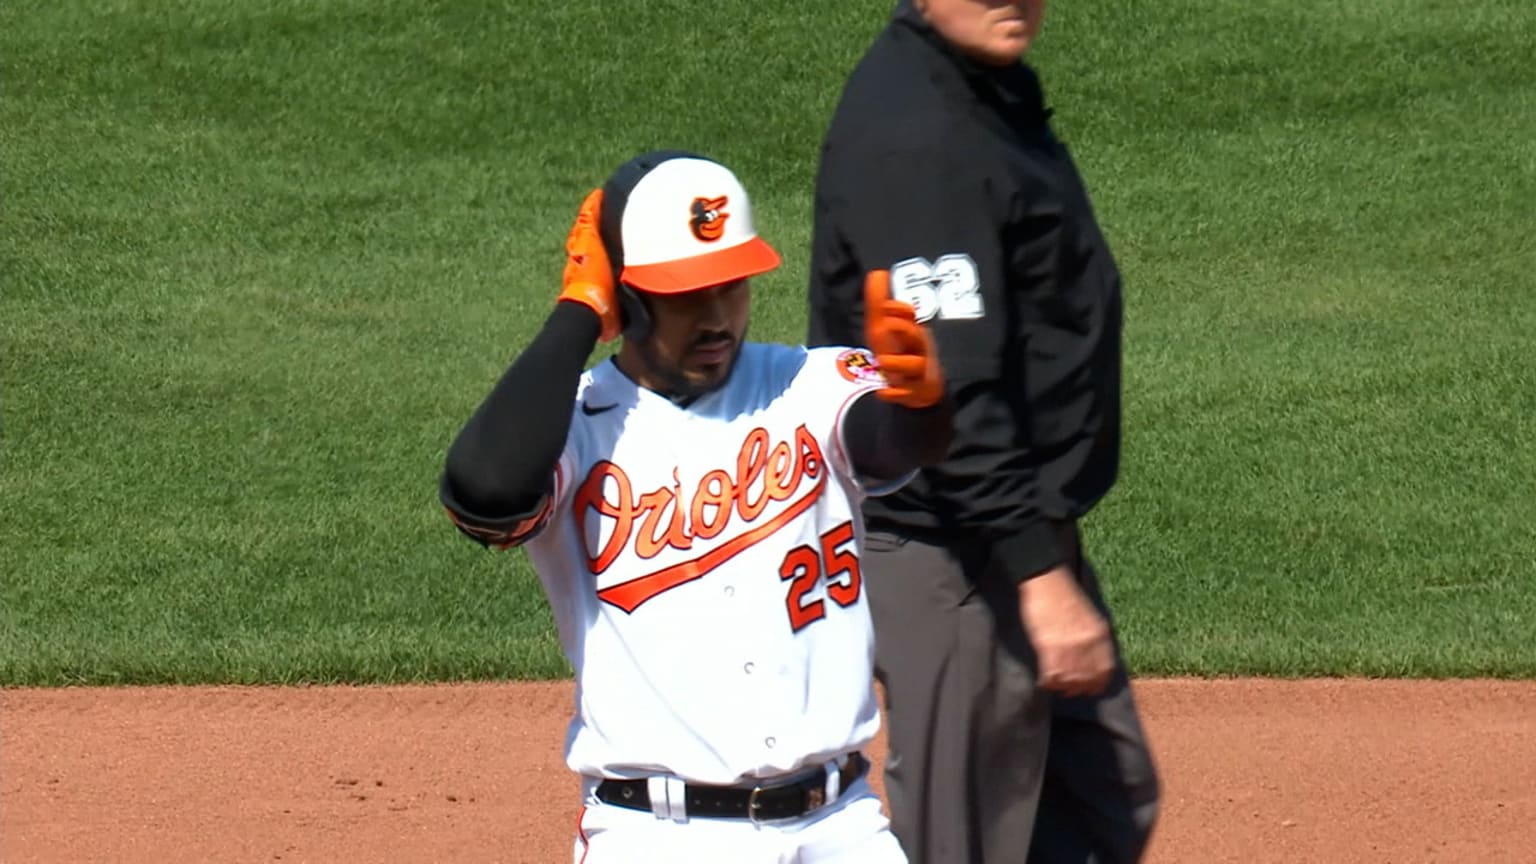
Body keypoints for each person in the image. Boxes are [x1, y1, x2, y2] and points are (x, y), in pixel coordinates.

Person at [439, 149, 953, 863]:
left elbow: (893, 441)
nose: (716, 316)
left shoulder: (807, 383)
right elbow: (485, 491)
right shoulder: (576, 426)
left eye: (730, 285)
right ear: (629, 297)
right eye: (686, 293)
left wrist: (924, 403)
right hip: (657, 836)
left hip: (841, 828)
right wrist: (579, 308)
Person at [805, 2, 1161, 863]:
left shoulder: (981, 86)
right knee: (966, 836)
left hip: (1006, 532)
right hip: (953, 547)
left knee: (1099, 797)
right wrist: (1038, 576)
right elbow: (951, 391)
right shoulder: (919, 137)